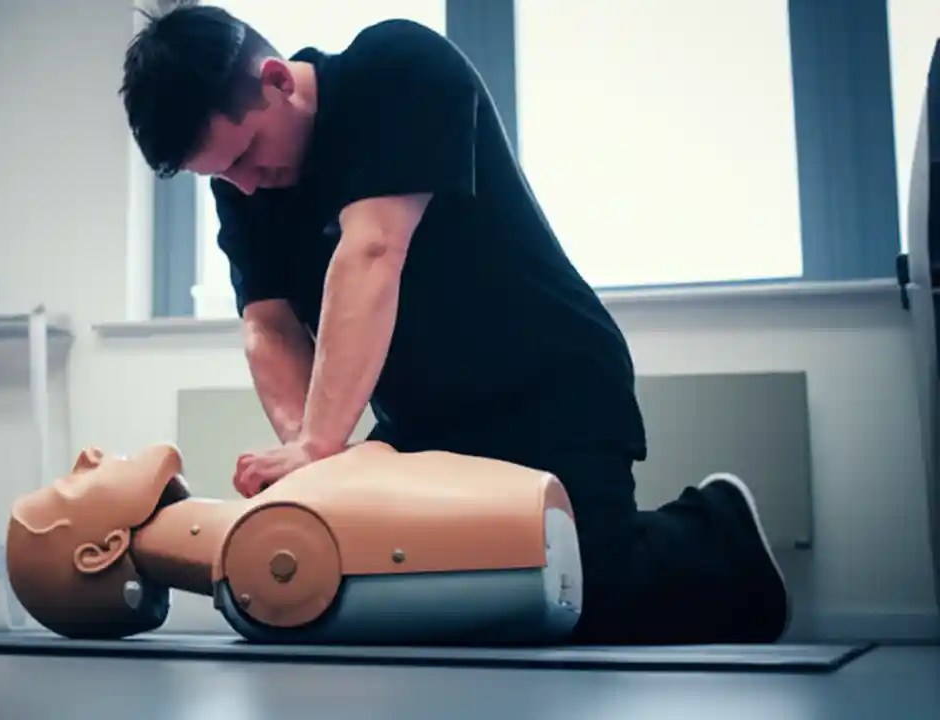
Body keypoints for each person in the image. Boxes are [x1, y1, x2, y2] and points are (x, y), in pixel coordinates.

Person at [118, 3, 790, 645]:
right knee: (406, 590)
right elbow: (269, 325)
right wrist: (304, 458)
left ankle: (716, 532)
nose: (243, 185)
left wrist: (322, 444)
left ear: (275, 81)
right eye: (221, 174)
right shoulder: (243, 186)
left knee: (577, 597)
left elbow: (374, 249)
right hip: (423, 420)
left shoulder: (396, 68)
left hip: (549, 384)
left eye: (244, 155)